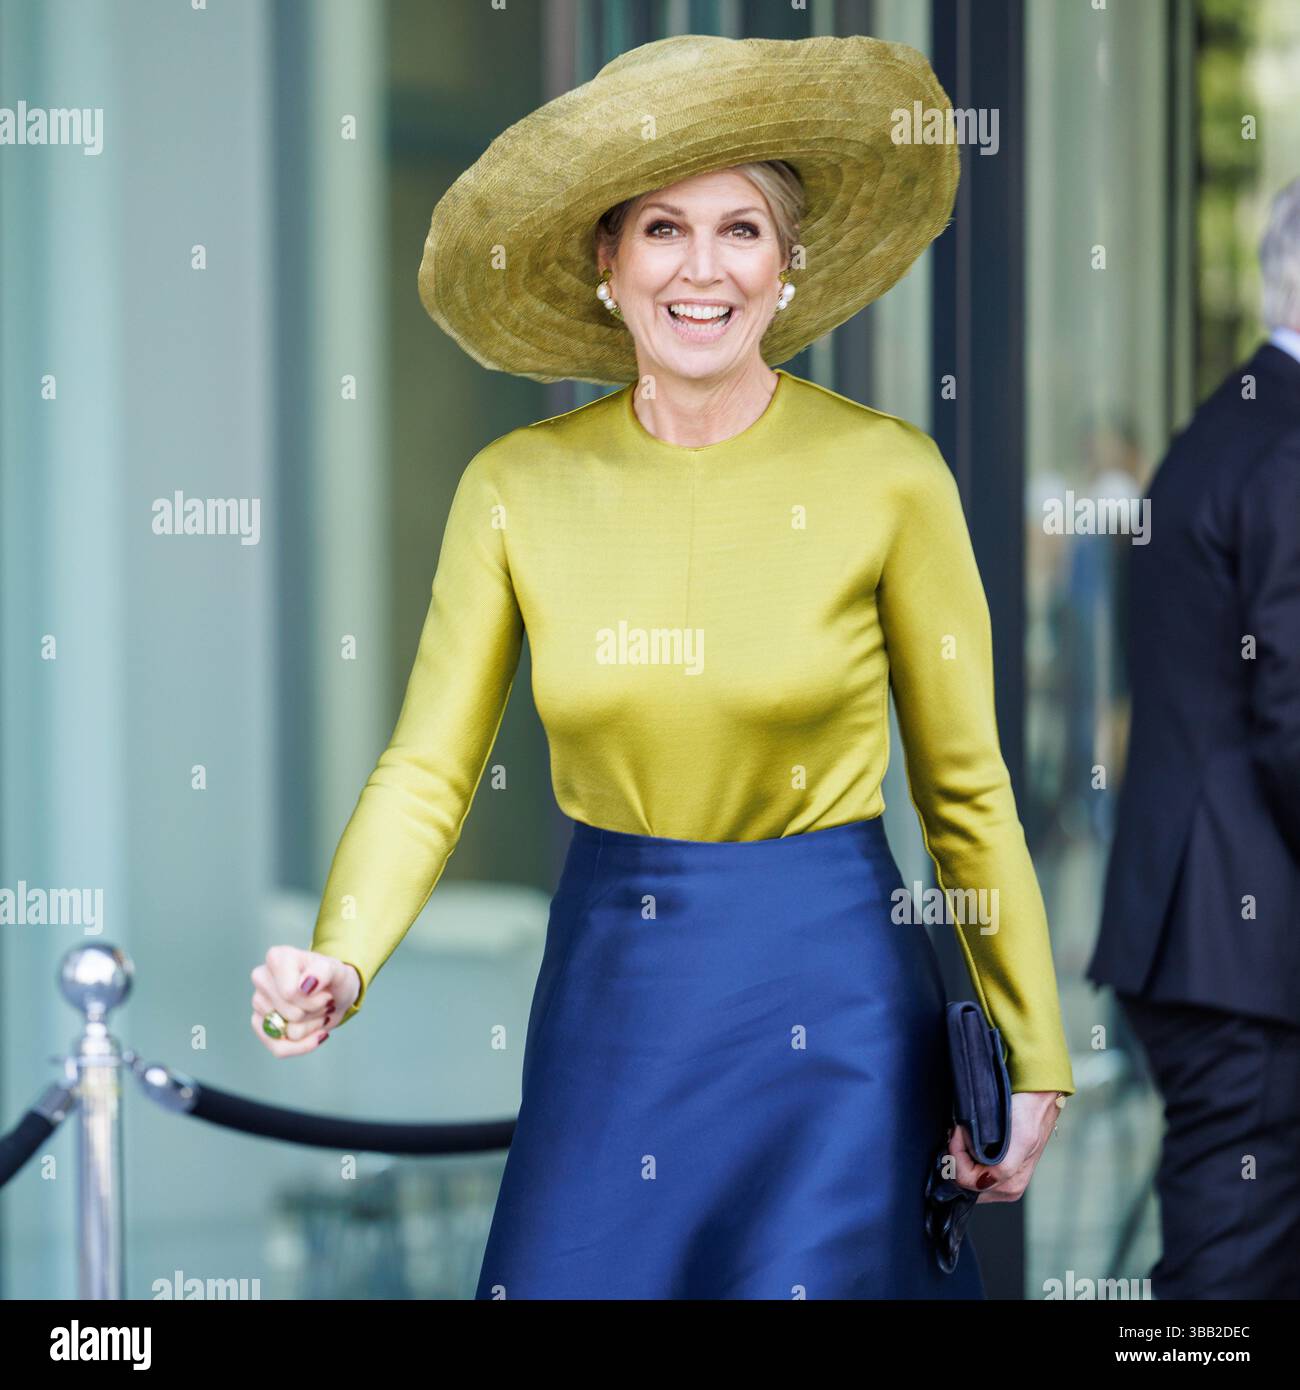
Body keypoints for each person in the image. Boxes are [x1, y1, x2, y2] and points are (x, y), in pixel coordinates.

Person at [248, 33, 1074, 1299]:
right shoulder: (514, 487)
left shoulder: (892, 476)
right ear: (607, 260)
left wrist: (1034, 1049)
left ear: (787, 264)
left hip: (835, 1001)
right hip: (616, 991)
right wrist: (340, 957)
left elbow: (966, 791)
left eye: (741, 229)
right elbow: (426, 767)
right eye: (661, 229)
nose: (703, 269)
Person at [1087, 175, 1300, 1299]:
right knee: (1223, 1289)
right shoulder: (1287, 446)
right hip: (1243, 957)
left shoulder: (1233, 422)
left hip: (1208, 933)